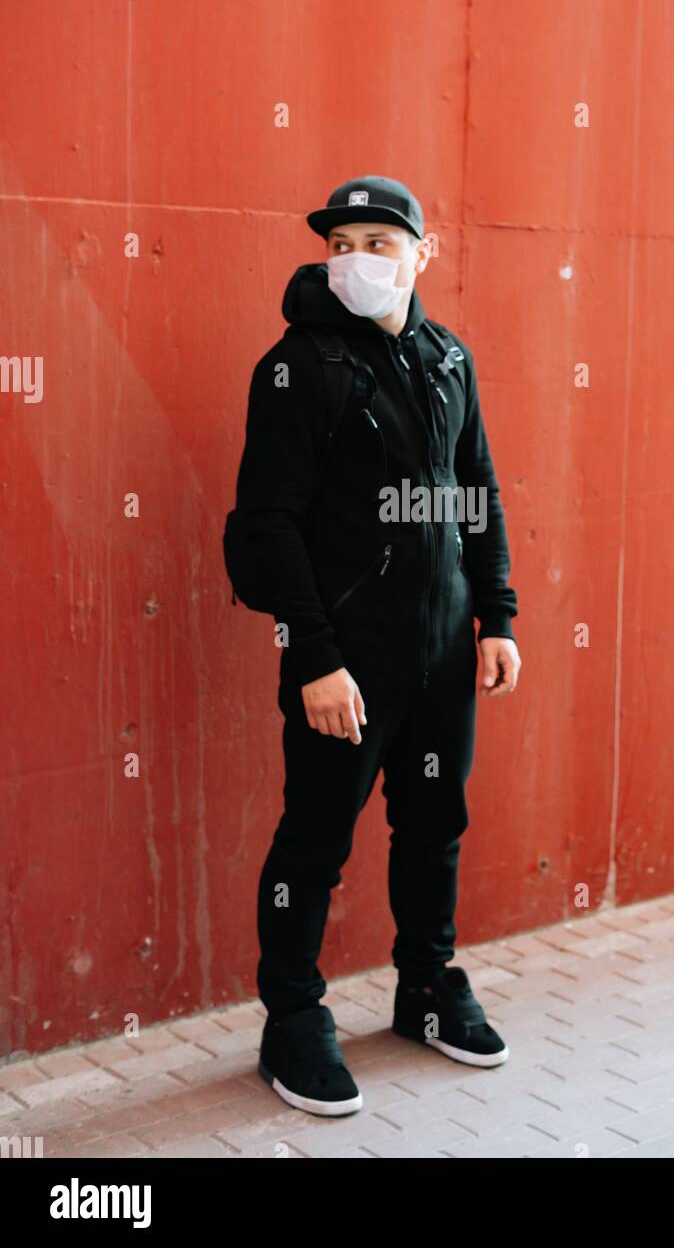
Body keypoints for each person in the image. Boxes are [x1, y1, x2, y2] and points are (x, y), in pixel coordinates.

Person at [230, 174, 521, 1117]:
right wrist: (313, 657)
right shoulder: (295, 366)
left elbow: (475, 487)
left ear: (421, 256)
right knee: (314, 841)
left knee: (434, 828)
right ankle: (291, 1019)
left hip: (441, 655)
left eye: (379, 243)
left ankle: (425, 989)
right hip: (343, 664)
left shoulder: (448, 360)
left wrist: (497, 615)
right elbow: (268, 526)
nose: (356, 259)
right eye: (342, 242)